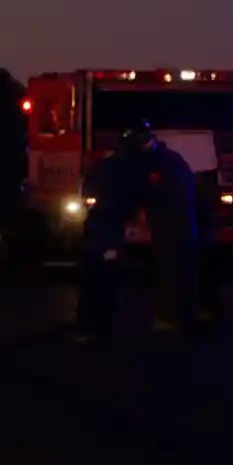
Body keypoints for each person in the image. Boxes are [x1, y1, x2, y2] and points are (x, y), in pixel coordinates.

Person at [75, 128, 149, 341]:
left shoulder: (107, 166)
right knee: (106, 276)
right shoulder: (128, 170)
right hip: (107, 230)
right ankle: (99, 326)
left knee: (93, 277)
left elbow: (89, 192)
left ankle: (89, 326)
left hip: (97, 228)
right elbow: (136, 198)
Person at [129, 120, 201, 335]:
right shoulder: (170, 160)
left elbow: (160, 194)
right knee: (180, 271)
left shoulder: (163, 164)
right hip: (179, 224)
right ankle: (187, 316)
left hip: (173, 225)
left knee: (170, 271)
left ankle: (170, 318)